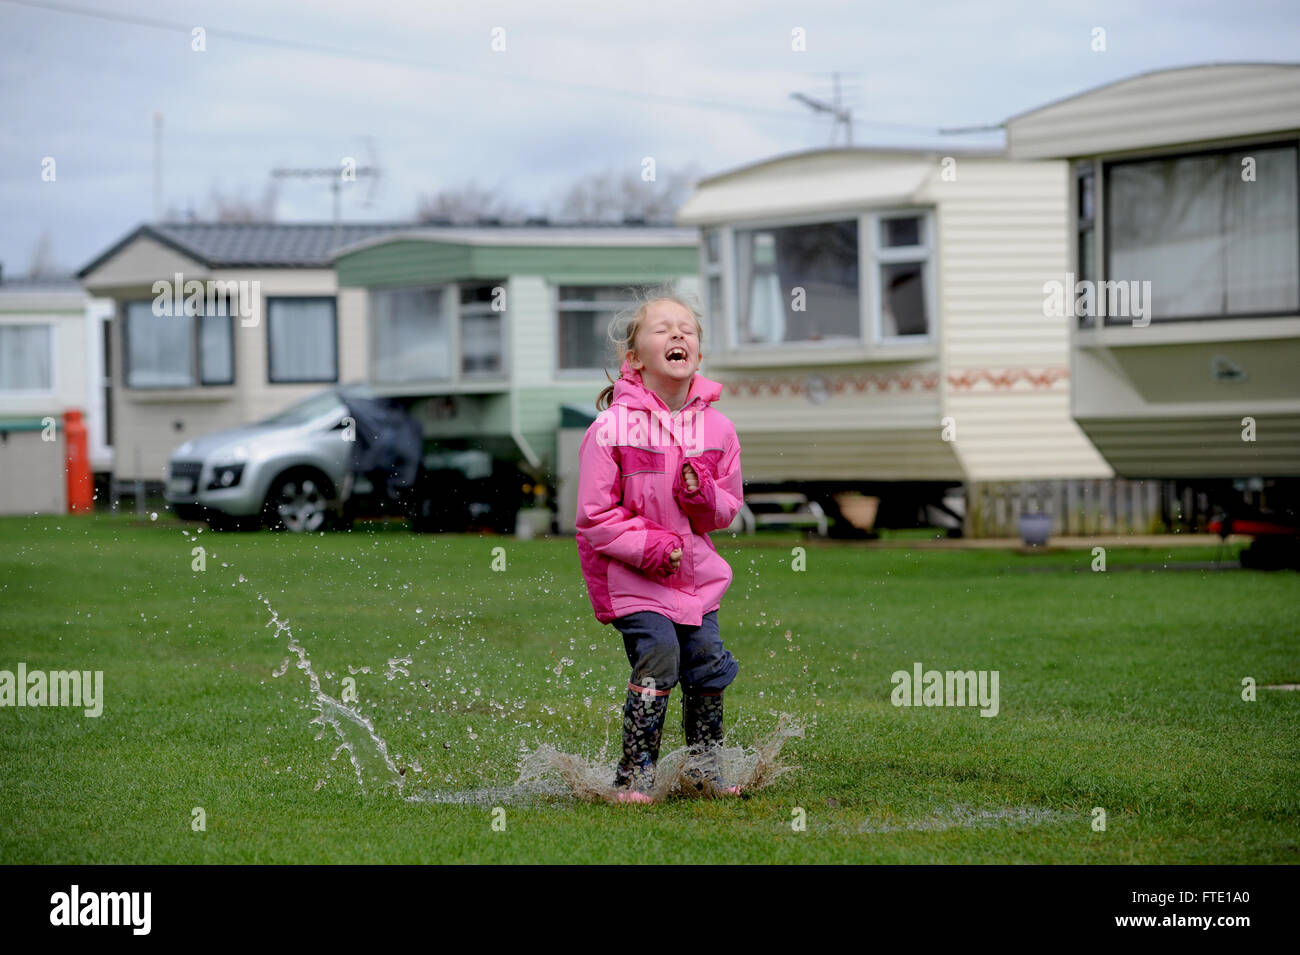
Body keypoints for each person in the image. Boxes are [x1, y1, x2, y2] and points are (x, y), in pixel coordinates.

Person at [574, 289, 744, 802]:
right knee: (660, 655)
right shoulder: (610, 429)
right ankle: (633, 776)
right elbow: (593, 518)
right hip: (633, 580)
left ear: (698, 353)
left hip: (696, 582)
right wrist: (651, 547)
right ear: (634, 358)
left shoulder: (719, 429)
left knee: (707, 661)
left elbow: (725, 511)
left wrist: (703, 493)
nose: (677, 335)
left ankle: (704, 773)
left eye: (687, 329)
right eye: (663, 329)